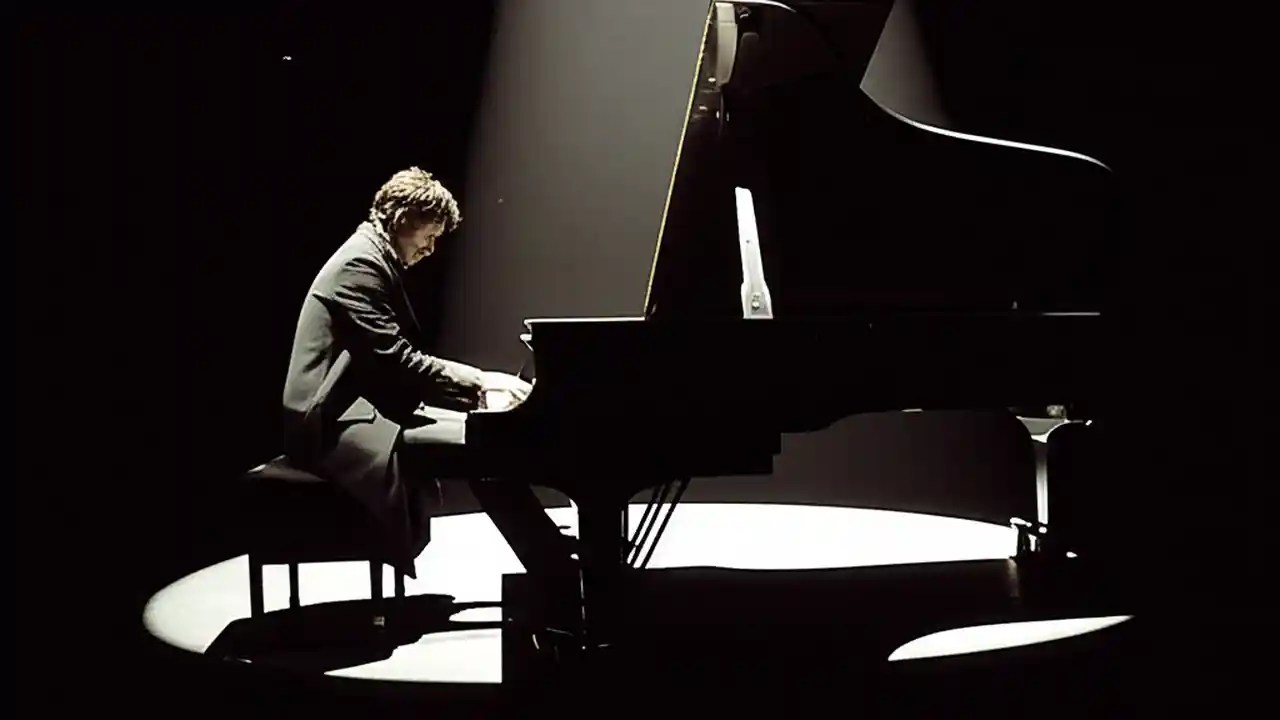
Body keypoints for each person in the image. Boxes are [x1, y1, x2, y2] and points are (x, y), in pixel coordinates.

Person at [281, 167, 569, 581]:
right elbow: (398, 360)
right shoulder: (360, 265)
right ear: (402, 221)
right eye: (429, 236)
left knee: (486, 434)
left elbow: (395, 362)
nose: (431, 249)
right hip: (329, 423)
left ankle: (551, 558)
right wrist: (484, 382)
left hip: (358, 408)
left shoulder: (372, 255)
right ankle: (553, 567)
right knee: (481, 442)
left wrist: (480, 389)